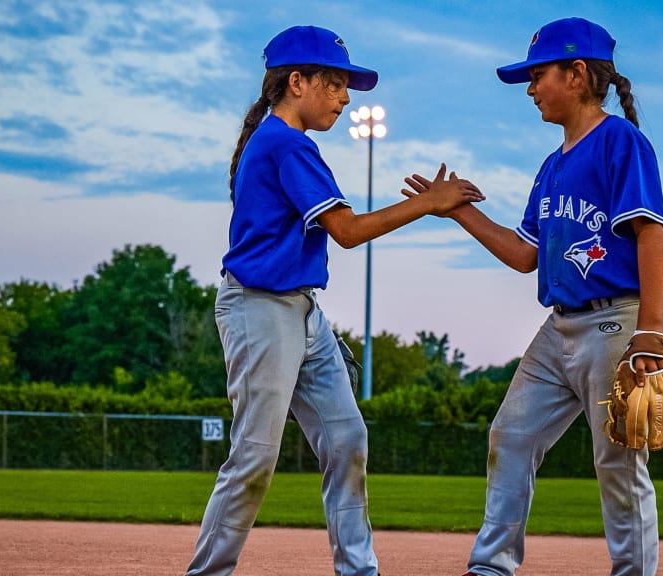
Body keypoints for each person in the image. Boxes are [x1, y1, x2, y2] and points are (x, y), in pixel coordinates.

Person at [186, 25, 482, 576]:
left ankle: (358, 569)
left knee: (346, 436)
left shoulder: (281, 143)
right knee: (254, 455)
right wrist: (432, 204)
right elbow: (345, 230)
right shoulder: (285, 143)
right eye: (336, 84)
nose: (346, 98)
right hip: (260, 310)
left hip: (299, 311)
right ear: (296, 82)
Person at [404, 17, 663, 576]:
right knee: (511, 434)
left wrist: (652, 327)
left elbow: (652, 231)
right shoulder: (552, 167)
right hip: (560, 328)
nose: (530, 89)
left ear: (576, 74)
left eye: (538, 75)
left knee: (619, 464)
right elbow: (525, 254)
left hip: (616, 323)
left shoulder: (620, 142)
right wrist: (456, 208)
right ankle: (490, 567)